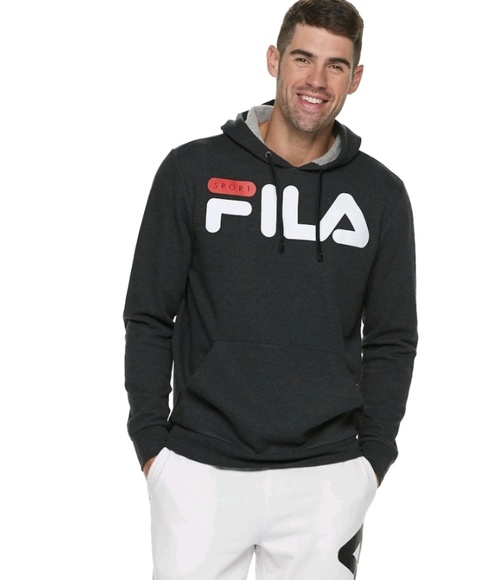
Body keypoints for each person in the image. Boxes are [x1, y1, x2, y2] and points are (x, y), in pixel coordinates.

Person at [123, 0, 418, 577]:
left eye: (336, 65)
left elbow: (392, 338)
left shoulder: (381, 194)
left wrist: (372, 460)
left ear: (356, 78)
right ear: (273, 60)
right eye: (303, 58)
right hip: (199, 471)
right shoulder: (191, 171)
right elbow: (150, 315)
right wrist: (152, 446)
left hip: (326, 478)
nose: (317, 80)